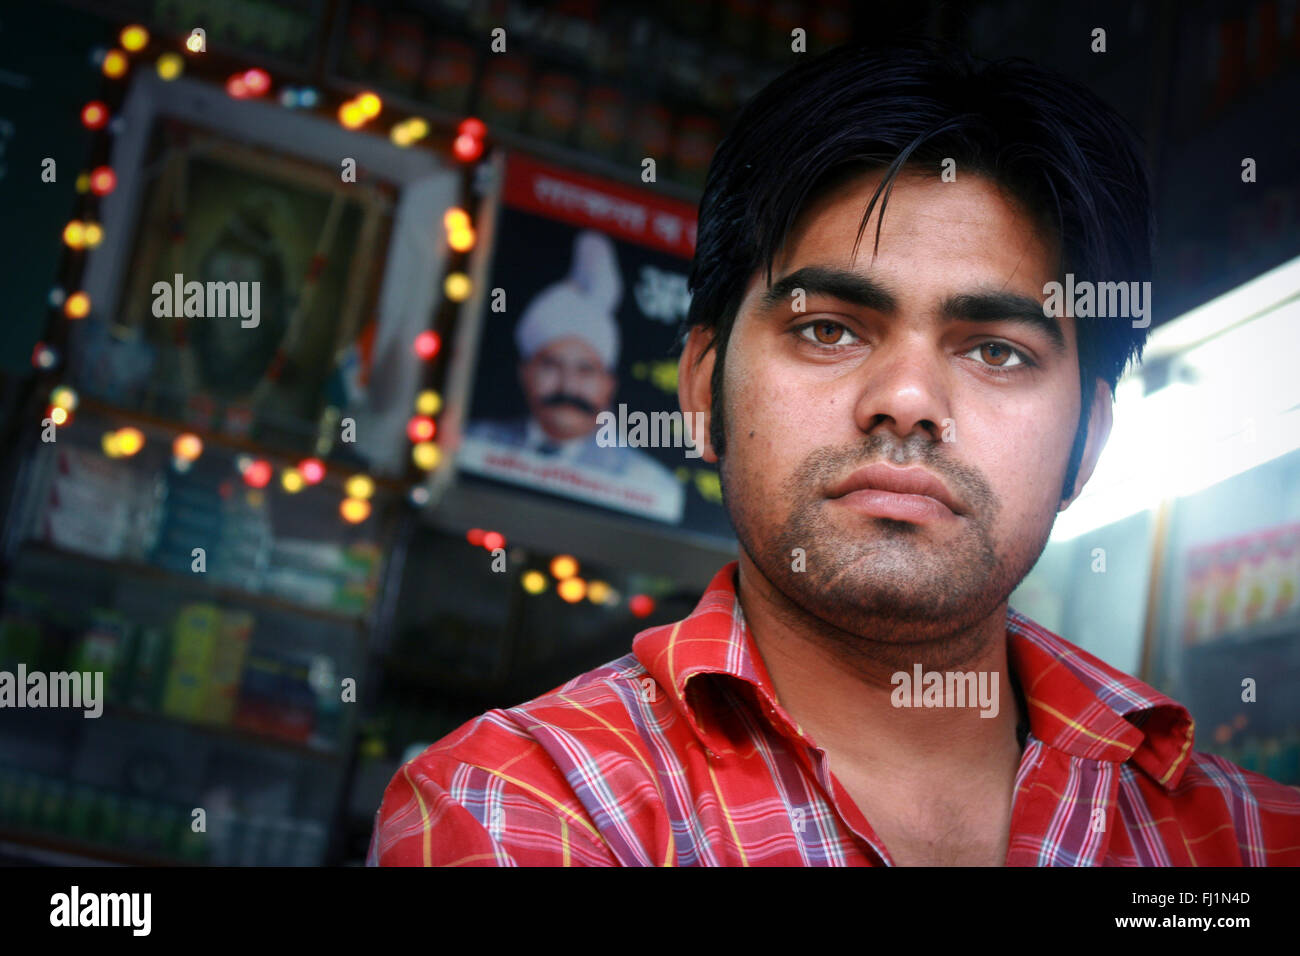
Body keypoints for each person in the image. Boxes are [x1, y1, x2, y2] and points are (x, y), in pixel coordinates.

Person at [369, 42, 1300, 866]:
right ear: (702, 389)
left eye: (996, 351)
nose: (907, 401)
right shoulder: (523, 807)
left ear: (1088, 444)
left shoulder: (1249, 839)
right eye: (828, 330)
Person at [459, 229, 685, 523]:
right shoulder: (471, 444)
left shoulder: (651, 485)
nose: (568, 385)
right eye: (551, 365)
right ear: (525, 373)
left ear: (608, 385)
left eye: (585, 370)